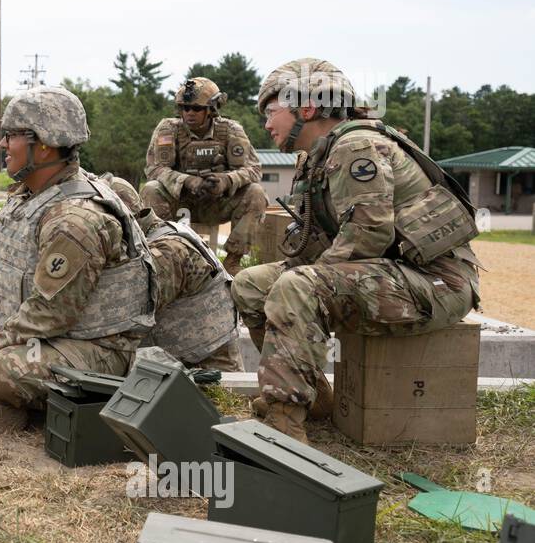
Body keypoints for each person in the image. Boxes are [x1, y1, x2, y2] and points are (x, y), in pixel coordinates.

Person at [231, 58, 481, 443]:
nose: (266, 123)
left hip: (435, 282)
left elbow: (369, 235)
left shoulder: (356, 145)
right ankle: (309, 396)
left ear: (307, 107)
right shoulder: (319, 155)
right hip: (388, 274)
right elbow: (321, 245)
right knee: (250, 284)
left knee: (297, 286)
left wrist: (303, 282)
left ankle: (283, 424)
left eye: (271, 111)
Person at [0, 86, 156, 438]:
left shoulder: (74, 220)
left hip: (91, 344)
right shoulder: (30, 195)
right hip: (31, 329)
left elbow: (51, 313)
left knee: (0, 369)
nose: (3, 145)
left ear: (44, 144)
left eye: (12, 136)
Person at [100, 174, 243, 372]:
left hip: (208, 373)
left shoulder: (167, 251)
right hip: (180, 365)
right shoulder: (149, 238)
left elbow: (123, 312)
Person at [138, 77, 268, 275]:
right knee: (151, 189)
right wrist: (187, 181)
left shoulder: (231, 130)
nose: (189, 113)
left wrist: (227, 181)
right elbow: (155, 168)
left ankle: (232, 261)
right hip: (180, 202)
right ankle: (164, 256)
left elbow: (253, 169)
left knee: (256, 193)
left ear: (212, 109)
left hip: (217, 203)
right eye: (184, 107)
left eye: (196, 109)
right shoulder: (168, 129)